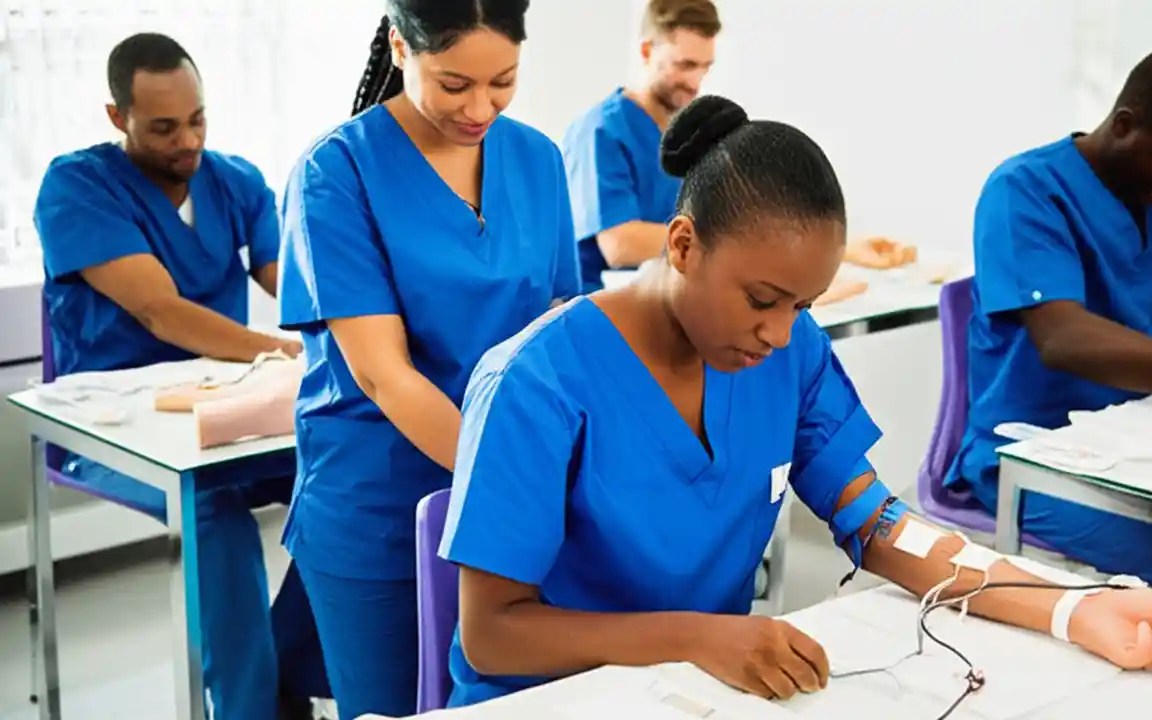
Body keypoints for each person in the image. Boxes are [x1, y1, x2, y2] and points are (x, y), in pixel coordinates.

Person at [440, 94, 1152, 708]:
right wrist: (699, 638)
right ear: (681, 245)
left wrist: (1071, 608)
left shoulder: (784, 354)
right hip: (552, 700)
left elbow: (880, 525)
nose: (779, 334)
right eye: (762, 300)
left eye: (803, 307)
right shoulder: (538, 382)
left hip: (694, 689)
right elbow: (494, 636)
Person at [275, 1, 580, 717]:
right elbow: (386, 375)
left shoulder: (535, 159)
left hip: (513, 497)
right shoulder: (336, 173)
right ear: (399, 47)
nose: (481, 107)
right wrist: (513, 481)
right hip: (378, 507)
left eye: (502, 81)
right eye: (453, 85)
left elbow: (559, 331)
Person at [33, 33, 328, 720]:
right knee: (210, 510)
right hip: (110, 427)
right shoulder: (77, 186)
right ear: (118, 119)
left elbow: (291, 284)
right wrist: (281, 352)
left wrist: (349, 319)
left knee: (347, 476)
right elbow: (162, 311)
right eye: (163, 128)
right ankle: (248, 710)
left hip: (222, 415)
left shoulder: (236, 181)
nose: (187, 140)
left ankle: (289, 667)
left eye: (197, 120)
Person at [948, 45, 1152, 634]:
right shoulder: (1025, 190)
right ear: (1124, 124)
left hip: (1150, 447)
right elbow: (1064, 340)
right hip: (1036, 458)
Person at [561, 0, 720, 293]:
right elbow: (620, 244)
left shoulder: (689, 137)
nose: (696, 83)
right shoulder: (602, 130)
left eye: (704, 68)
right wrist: (720, 244)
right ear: (647, 51)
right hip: (606, 308)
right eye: (685, 65)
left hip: (667, 297)